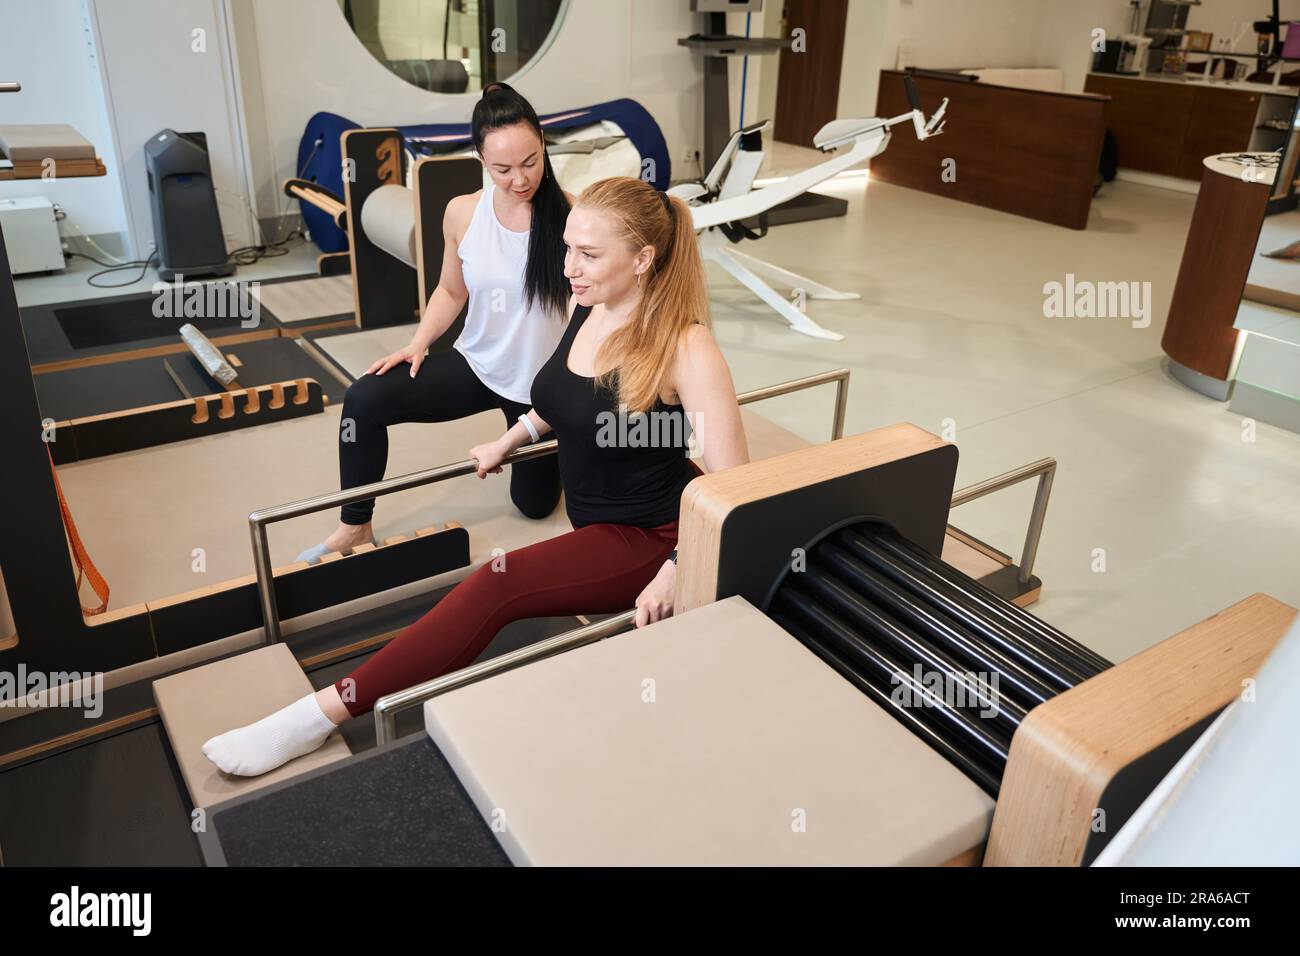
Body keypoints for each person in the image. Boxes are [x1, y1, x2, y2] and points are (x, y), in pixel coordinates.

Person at [204, 177, 749, 777]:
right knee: (501, 582)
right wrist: (511, 438)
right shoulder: (588, 306)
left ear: (644, 258)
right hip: (602, 520)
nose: (569, 267)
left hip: (657, 538)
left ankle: (316, 717)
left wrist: (677, 570)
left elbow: (734, 491)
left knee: (499, 583)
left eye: (589, 254)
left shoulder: (688, 347)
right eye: (568, 248)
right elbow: (559, 401)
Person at [296, 82, 570, 563]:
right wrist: (418, 343)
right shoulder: (463, 213)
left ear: (544, 145)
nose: (520, 178)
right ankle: (354, 525)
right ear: (480, 159)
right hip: (478, 363)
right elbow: (450, 290)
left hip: (542, 389)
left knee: (534, 506)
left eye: (530, 161)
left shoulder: (573, 213)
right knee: (365, 396)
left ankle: (564, 450)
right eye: (503, 169)